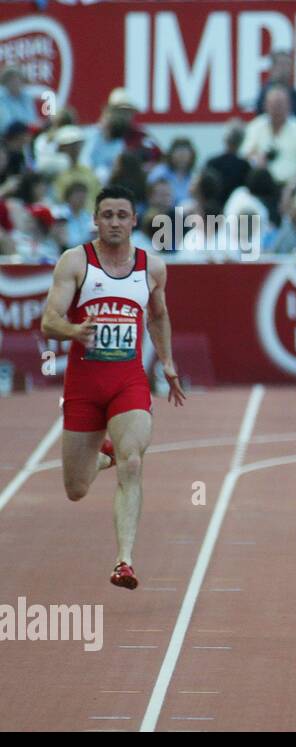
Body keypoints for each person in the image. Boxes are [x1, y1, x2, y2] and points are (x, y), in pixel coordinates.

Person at [38, 185, 186, 589]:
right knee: (76, 489)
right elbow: (49, 321)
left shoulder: (151, 267)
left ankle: (124, 560)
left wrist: (168, 364)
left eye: (123, 215)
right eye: (107, 215)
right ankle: (103, 457)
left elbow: (158, 316)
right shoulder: (76, 262)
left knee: (134, 461)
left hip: (128, 383)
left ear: (134, 220)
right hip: (84, 386)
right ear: (95, 220)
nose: (115, 222)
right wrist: (74, 330)